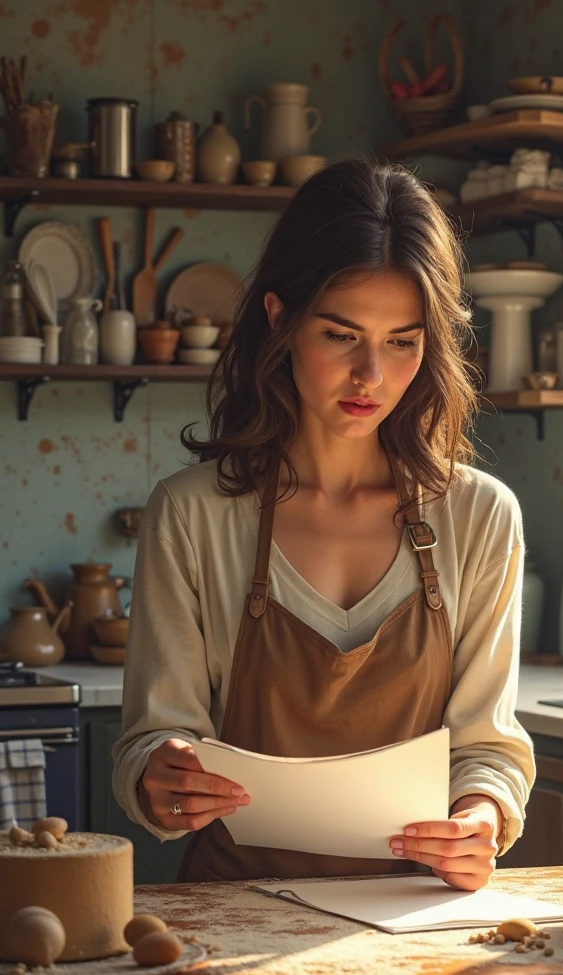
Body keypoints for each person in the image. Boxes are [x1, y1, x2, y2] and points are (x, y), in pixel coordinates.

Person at [113, 159, 535, 889]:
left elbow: (487, 748)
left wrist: (482, 816)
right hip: (231, 910)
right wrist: (160, 772)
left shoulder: (480, 515)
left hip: (413, 919)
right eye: (342, 336)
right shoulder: (191, 513)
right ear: (279, 318)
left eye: (403, 341)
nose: (371, 374)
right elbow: (151, 736)